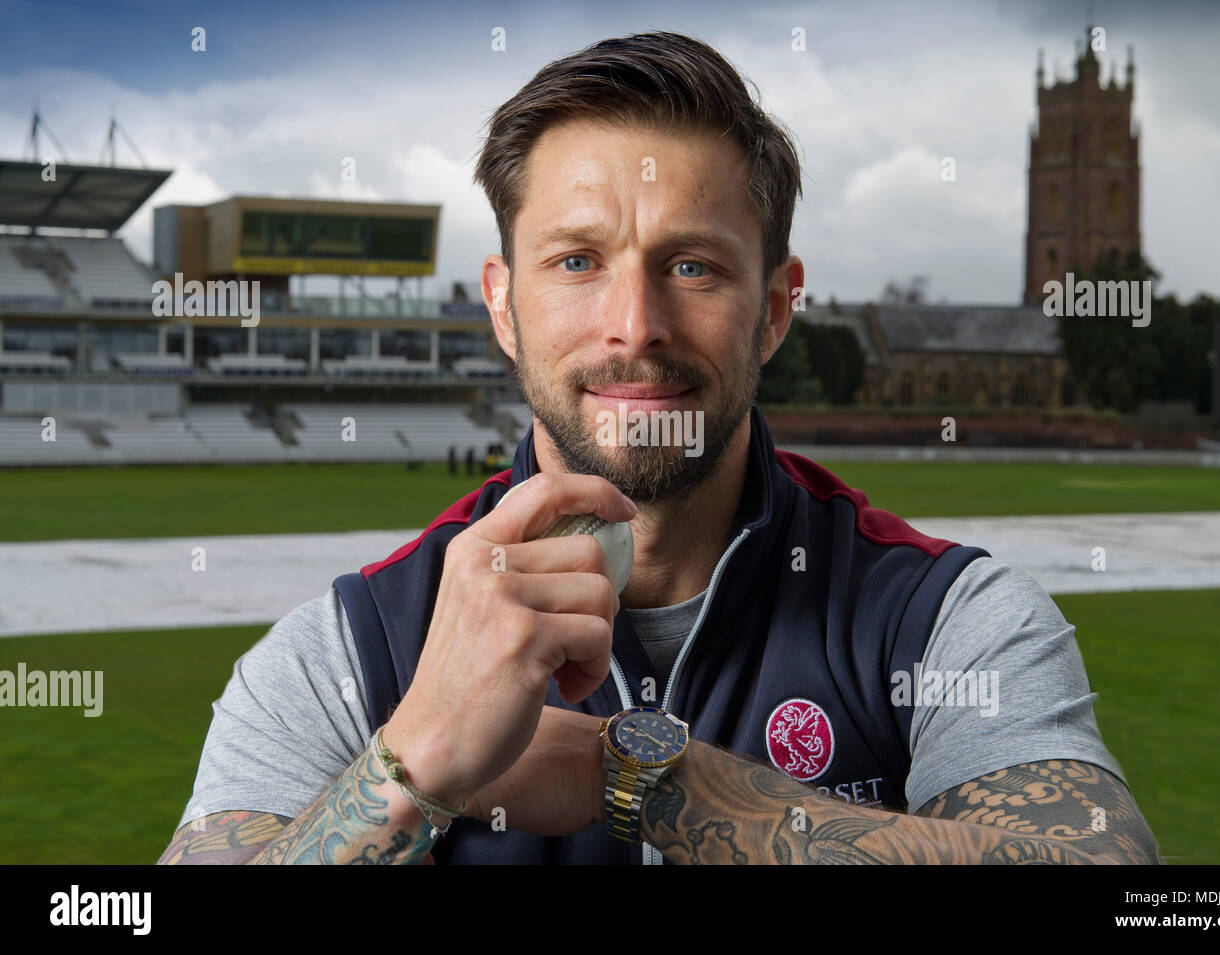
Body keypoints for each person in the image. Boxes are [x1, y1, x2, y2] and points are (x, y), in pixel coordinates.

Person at [158, 31, 1160, 865]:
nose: (634, 325)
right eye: (577, 261)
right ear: (502, 307)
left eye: (691, 264)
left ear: (773, 310)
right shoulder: (341, 650)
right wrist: (411, 762)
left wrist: (643, 776)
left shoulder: (947, 619)